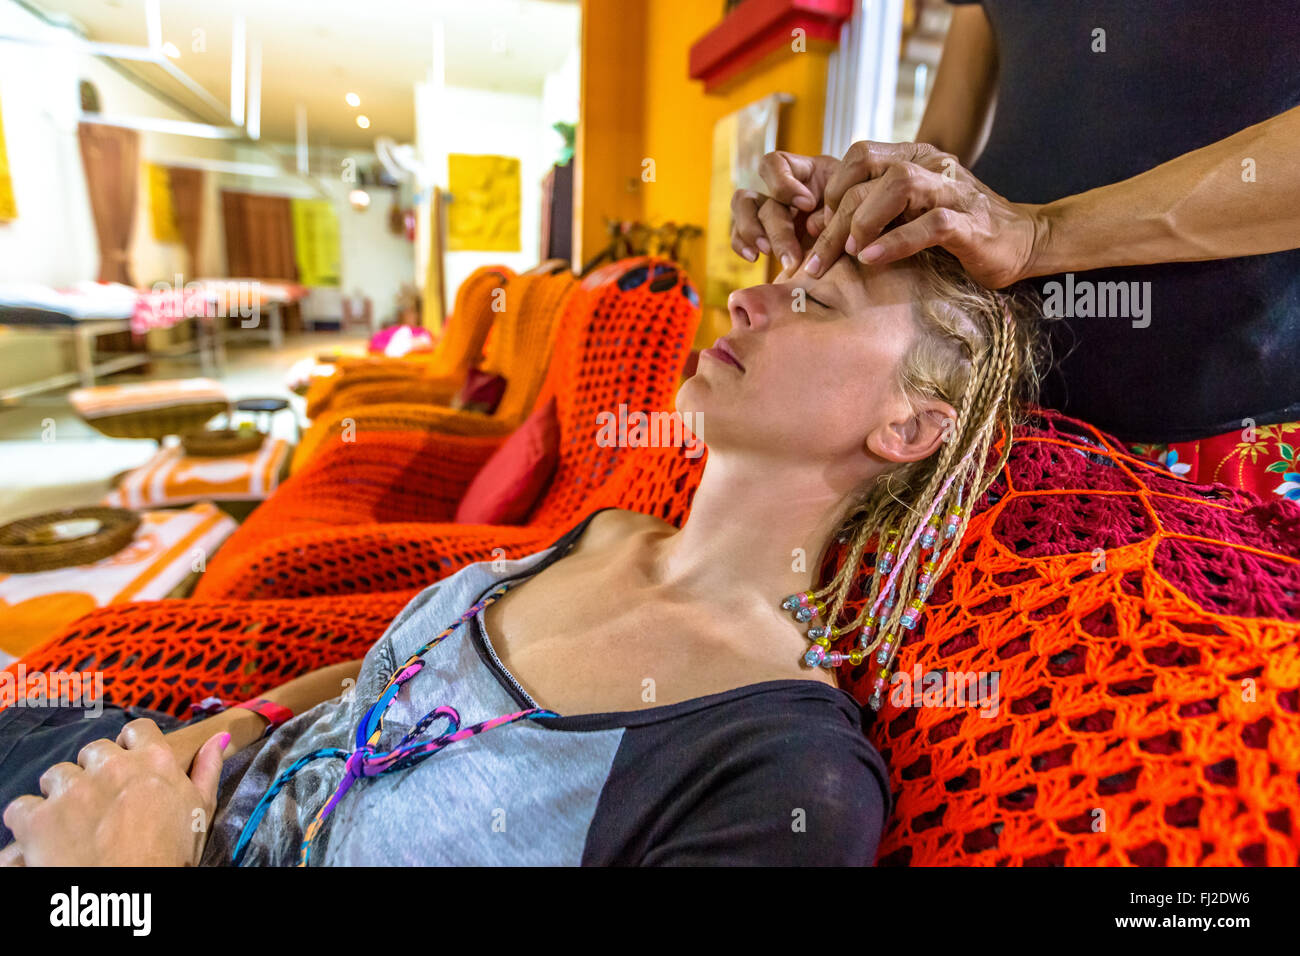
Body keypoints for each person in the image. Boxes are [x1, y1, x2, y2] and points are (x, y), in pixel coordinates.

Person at [0, 243, 1041, 866]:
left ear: (908, 428)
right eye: (778, 275)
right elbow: (389, 671)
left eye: (818, 298)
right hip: (134, 766)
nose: (748, 298)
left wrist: (120, 880)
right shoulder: (610, 535)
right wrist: (218, 730)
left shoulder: (778, 771)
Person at [732, 0, 1300, 503]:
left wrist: (1041, 235)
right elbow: (943, 147)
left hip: (1217, 418)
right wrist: (856, 209)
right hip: (1000, 416)